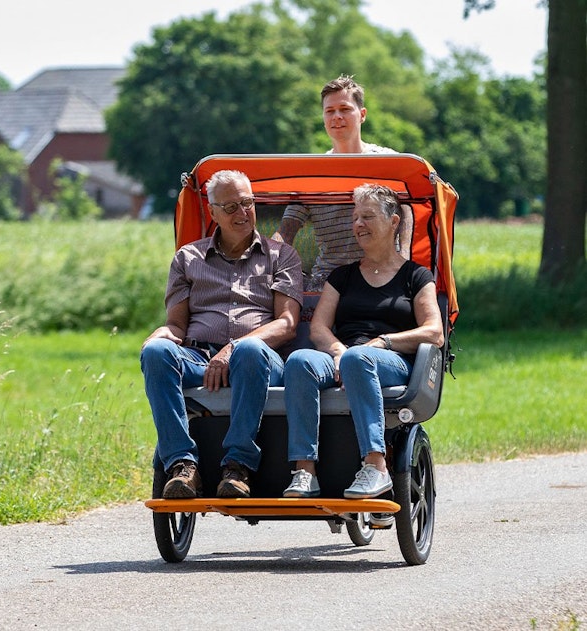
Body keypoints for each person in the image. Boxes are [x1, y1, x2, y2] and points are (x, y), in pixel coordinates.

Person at [141, 169, 303, 499]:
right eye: (230, 207)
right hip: (199, 357)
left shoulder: (281, 255)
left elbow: (287, 323)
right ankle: (182, 466)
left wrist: (234, 347)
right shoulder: (187, 258)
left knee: (249, 351)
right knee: (156, 353)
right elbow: (177, 325)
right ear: (212, 212)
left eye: (247, 203)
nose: (242, 213)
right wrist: (161, 334)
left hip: (258, 361)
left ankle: (237, 466)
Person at [281, 183, 444, 500]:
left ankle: (376, 465)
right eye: (355, 218)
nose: (358, 224)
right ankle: (305, 471)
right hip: (345, 355)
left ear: (393, 222)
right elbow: (319, 328)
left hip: (392, 360)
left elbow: (433, 332)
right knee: (300, 361)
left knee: (359, 358)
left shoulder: (416, 276)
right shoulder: (342, 276)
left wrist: (383, 342)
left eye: (367, 217)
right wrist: (338, 351)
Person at [273, 75, 413, 291]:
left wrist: (403, 258)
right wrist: (268, 258)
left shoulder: (387, 161)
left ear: (362, 115)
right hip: (327, 280)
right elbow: (287, 229)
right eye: (330, 111)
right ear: (323, 118)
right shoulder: (313, 173)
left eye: (345, 109)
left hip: (383, 275)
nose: (337, 116)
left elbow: (406, 210)